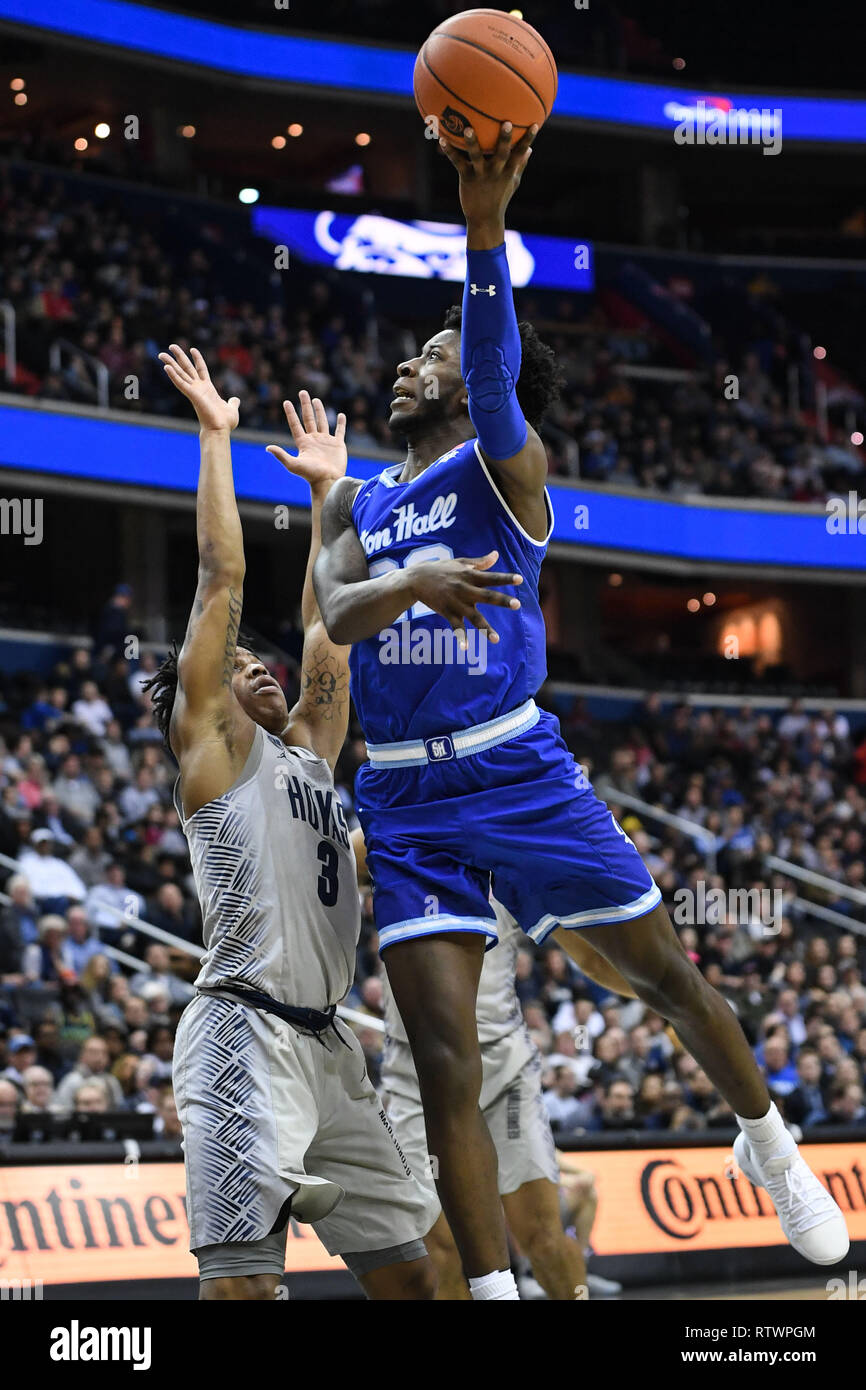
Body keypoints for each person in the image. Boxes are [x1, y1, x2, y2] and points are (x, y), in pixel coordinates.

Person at [312, 122, 848, 1283]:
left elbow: (495, 366)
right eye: (410, 352)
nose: (410, 363)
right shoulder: (362, 502)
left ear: (475, 385)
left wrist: (483, 226)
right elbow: (332, 611)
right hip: (401, 799)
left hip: (515, 770)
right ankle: (497, 1291)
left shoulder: (503, 472)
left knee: (665, 976)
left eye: (432, 352)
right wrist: (394, 571)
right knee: (443, 1062)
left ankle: (769, 1149)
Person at [144, 344, 437, 1301]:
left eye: (261, 664)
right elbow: (221, 577)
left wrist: (329, 496)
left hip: (327, 1045)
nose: (259, 667)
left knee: (418, 1274)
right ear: (209, 700)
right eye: (240, 667)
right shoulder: (215, 753)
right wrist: (218, 438)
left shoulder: (309, 750)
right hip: (242, 1034)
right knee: (244, 1290)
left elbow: (328, 632)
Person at [355, 825, 626, 1300]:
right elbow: (324, 851)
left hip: (502, 1069)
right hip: (416, 1078)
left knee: (542, 1235)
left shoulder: (504, 837)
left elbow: (587, 947)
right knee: (441, 1249)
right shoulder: (387, 828)